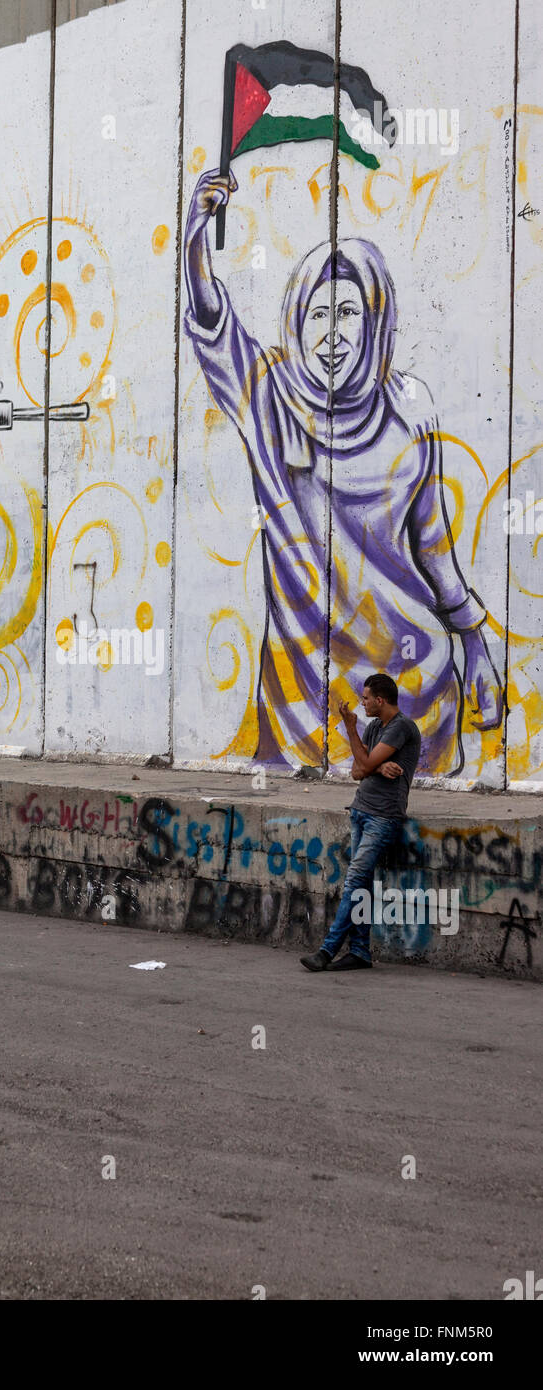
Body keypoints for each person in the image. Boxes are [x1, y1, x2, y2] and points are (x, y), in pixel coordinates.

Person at [183, 168, 502, 778]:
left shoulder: (410, 409)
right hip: (306, 698)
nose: (332, 334)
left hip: (417, 691)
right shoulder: (271, 399)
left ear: (375, 317)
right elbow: (215, 328)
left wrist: (474, 644)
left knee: (399, 856)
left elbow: (433, 550)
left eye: (349, 312)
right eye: (318, 313)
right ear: (298, 319)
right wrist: (197, 237)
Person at [300, 673, 421, 971]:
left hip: (383, 815)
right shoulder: (375, 727)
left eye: (366, 698)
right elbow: (357, 772)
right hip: (361, 810)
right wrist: (377, 767)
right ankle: (359, 952)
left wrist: (352, 730)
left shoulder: (400, 727)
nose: (362, 703)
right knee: (362, 885)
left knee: (354, 880)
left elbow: (364, 764)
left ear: (380, 700)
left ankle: (327, 951)